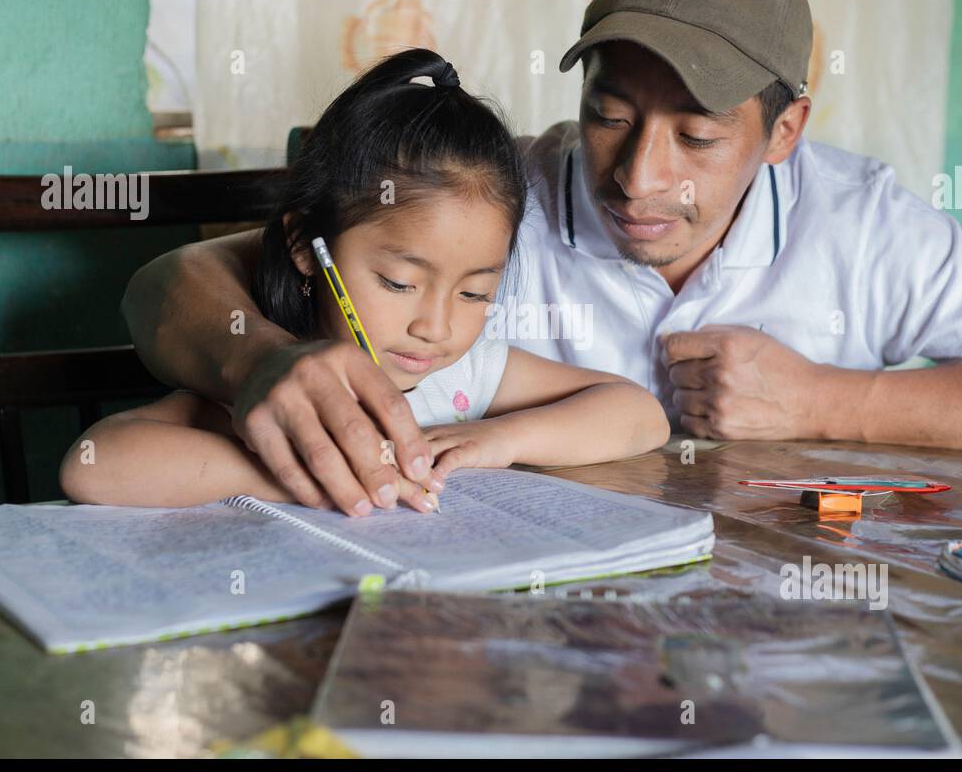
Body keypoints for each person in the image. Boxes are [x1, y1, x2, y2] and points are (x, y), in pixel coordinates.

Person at [119, 0, 962, 512]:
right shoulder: (490, 201)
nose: (634, 175)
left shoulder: (865, 227)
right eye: (608, 114)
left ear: (785, 128)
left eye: (696, 138)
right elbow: (176, 280)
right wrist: (253, 356)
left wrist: (820, 397)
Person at [61, 49, 669, 511]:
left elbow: (641, 414)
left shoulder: (465, 377)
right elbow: (94, 466)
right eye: (399, 283)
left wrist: (502, 439)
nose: (436, 327)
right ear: (306, 247)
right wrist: (310, 472)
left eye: (476, 291)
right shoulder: (279, 377)